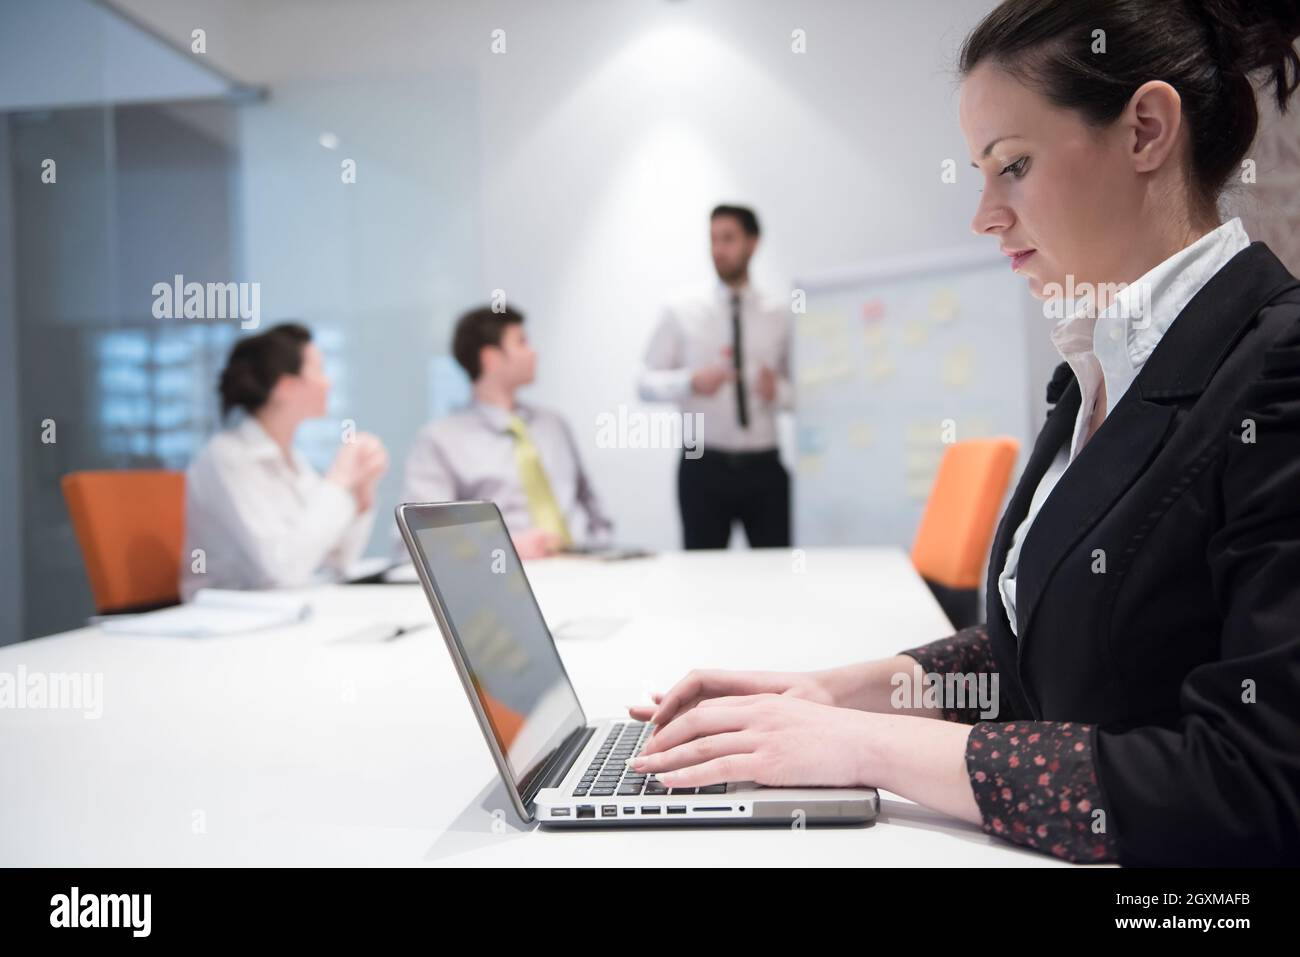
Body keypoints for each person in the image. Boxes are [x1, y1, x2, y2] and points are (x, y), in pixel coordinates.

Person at [625, 0, 1300, 865]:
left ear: (1145, 131)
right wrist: (839, 692)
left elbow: (1252, 789)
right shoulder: (1099, 366)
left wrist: (863, 747)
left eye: (1012, 165)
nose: (983, 214)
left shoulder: (1277, 369)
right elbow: (1050, 644)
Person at [180, 323, 388, 600]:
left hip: (282, 607)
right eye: (319, 371)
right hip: (229, 615)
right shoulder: (227, 457)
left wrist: (360, 494)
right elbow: (283, 570)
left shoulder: (294, 460)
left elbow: (335, 559)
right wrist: (339, 479)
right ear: (286, 386)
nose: (328, 383)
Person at [399, 305, 612, 560]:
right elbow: (423, 542)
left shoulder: (554, 425)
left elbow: (592, 506)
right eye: (522, 342)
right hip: (506, 580)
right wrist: (502, 550)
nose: (534, 352)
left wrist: (602, 550)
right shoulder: (439, 440)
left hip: (585, 569)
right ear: (491, 358)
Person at [639, 205, 793, 549]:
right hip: (702, 466)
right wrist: (690, 382)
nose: (718, 250)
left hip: (764, 466)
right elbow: (644, 384)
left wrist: (778, 391)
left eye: (728, 239)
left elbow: (806, 394)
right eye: (712, 240)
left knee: (777, 575)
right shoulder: (681, 310)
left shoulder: (780, 314)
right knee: (701, 577)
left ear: (752, 244)